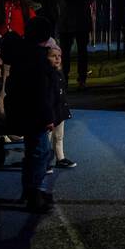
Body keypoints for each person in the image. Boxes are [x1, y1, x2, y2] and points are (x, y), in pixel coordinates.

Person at [0, 16, 60, 213]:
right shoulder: (38, 59)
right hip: (35, 114)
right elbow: (42, 92)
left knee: (32, 151)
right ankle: (34, 193)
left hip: (21, 110)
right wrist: (48, 117)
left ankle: (30, 190)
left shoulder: (21, 53)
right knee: (40, 153)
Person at [57, 0, 96, 87]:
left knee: (82, 52)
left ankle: (82, 79)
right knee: (65, 53)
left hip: (82, 21)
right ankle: (64, 78)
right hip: (66, 22)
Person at [45, 41, 77, 169]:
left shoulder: (59, 73)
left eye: (59, 56)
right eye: (53, 56)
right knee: (46, 139)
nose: (57, 58)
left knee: (59, 136)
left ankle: (60, 158)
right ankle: (44, 162)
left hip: (60, 110)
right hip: (49, 112)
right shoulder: (47, 76)